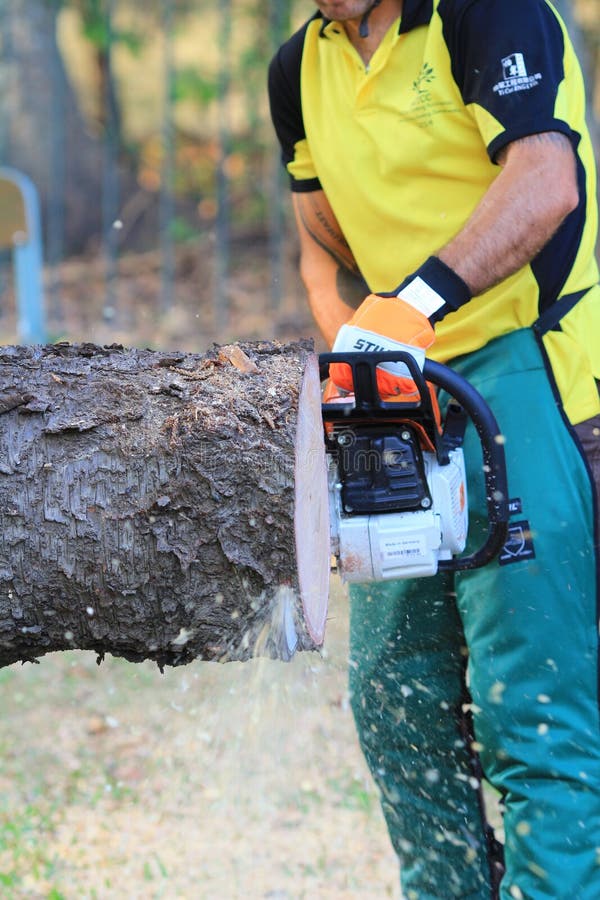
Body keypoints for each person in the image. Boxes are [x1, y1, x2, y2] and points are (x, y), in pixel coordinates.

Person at [268, 1, 600, 897]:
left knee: (531, 703)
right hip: (398, 386)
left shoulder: (488, 13)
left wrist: (414, 304)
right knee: (394, 700)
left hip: (523, 359)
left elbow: (545, 183)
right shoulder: (298, 69)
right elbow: (321, 247)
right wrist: (354, 360)